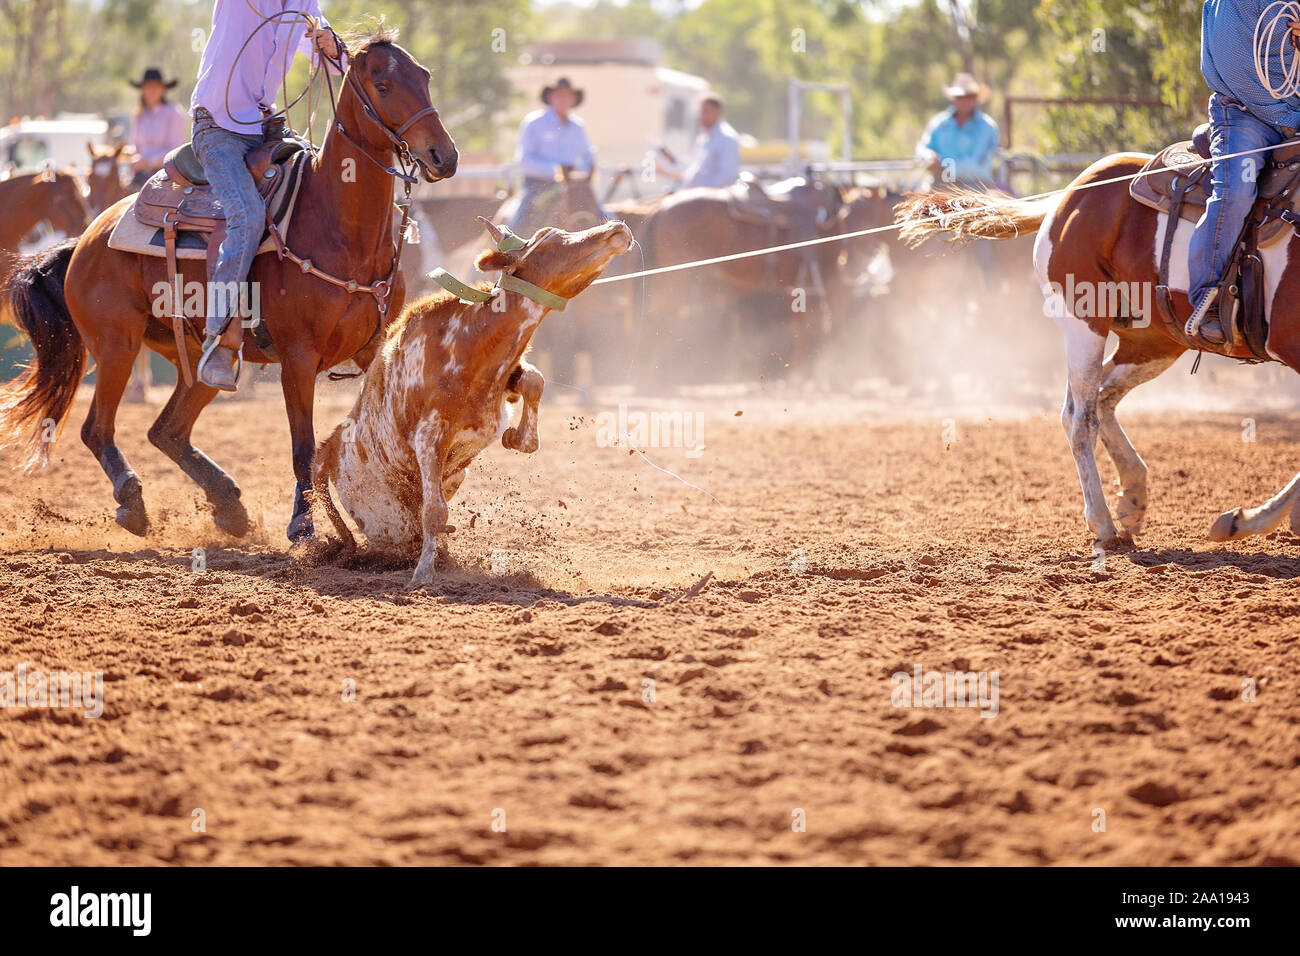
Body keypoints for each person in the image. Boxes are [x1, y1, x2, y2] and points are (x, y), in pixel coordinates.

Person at [191, 0, 341, 392]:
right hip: (218, 129)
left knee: (320, 187)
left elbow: (334, 59)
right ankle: (219, 338)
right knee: (247, 216)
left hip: (262, 127)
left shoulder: (305, 5)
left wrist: (331, 44)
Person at [1186, 2, 1300, 348]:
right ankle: (1208, 295)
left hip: (1294, 111)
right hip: (1243, 114)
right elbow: (1238, 69)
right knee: (1235, 191)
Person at [510, 77, 596, 233]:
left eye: (567, 95)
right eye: (559, 95)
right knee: (520, 221)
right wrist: (558, 170)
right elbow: (524, 161)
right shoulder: (534, 122)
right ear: (550, 97)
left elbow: (587, 156)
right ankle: (508, 250)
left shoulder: (578, 126)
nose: (563, 99)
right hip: (538, 186)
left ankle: (615, 255)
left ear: (573, 99)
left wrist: (582, 172)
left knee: (600, 214)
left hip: (574, 187)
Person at [915, 72, 1000, 188]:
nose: (965, 101)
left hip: (975, 187)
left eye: (969, 97)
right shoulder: (939, 122)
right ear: (954, 98)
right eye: (960, 97)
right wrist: (928, 157)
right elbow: (922, 148)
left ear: (976, 98)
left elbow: (977, 164)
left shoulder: (987, 127)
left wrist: (943, 166)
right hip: (939, 184)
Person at [656, 95, 741, 189]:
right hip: (696, 196)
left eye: (706, 111)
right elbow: (696, 168)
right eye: (700, 111)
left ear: (718, 112)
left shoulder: (726, 138)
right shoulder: (704, 137)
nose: (701, 116)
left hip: (710, 200)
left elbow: (727, 177)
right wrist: (670, 163)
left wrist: (706, 196)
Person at [126, 68, 188, 189]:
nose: (152, 91)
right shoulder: (139, 115)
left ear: (163, 89)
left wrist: (148, 162)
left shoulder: (174, 114)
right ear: (142, 90)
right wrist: (135, 158)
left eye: (156, 87)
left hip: (167, 175)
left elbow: (175, 149)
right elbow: (136, 145)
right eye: (148, 87)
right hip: (140, 174)